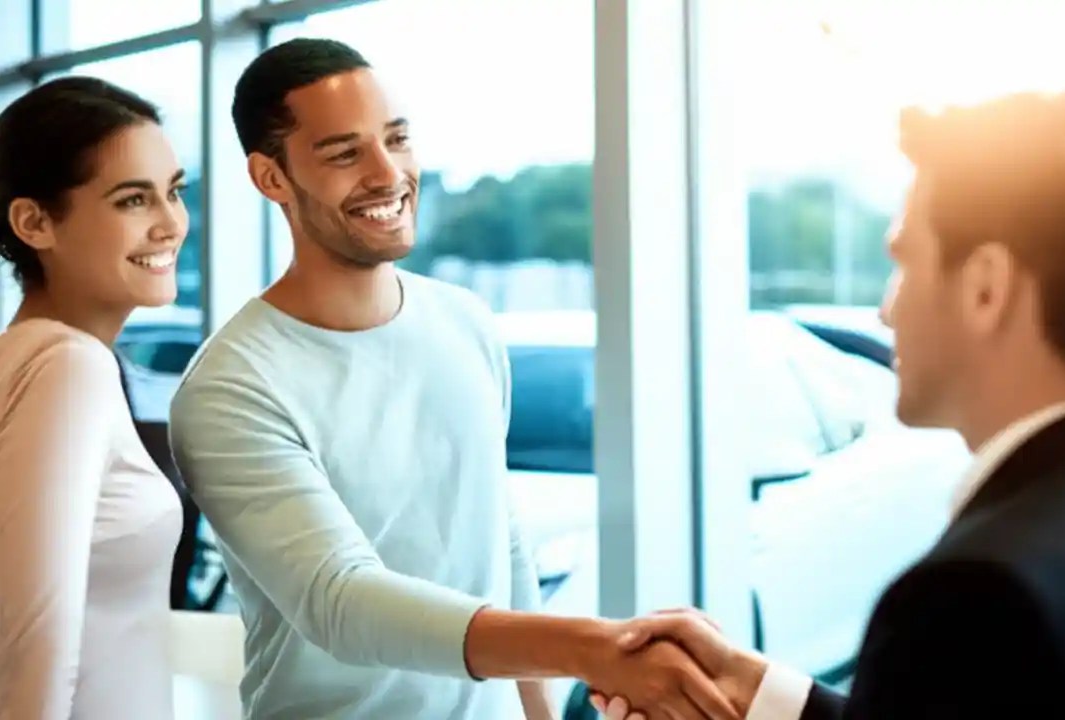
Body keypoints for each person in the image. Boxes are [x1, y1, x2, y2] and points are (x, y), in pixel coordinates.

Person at [592, 92, 1065, 719]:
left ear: (987, 288)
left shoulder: (972, 598)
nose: (887, 310)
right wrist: (759, 695)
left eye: (905, 261)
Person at [168, 38, 734, 720]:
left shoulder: (465, 322)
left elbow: (503, 541)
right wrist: (592, 648)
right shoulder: (231, 387)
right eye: (345, 154)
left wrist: (538, 711)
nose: (388, 174)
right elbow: (340, 600)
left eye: (397, 139)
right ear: (272, 178)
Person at [0, 77, 189, 719]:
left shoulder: (25, 357)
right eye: (133, 199)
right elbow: (32, 640)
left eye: (174, 191)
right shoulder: (69, 366)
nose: (170, 224)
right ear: (34, 222)